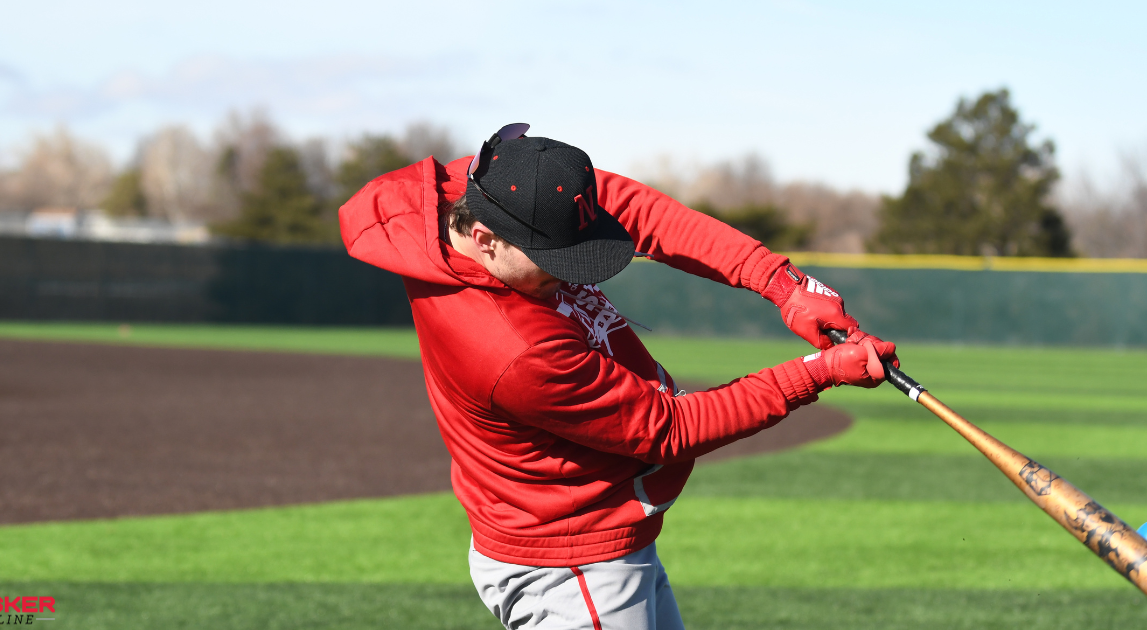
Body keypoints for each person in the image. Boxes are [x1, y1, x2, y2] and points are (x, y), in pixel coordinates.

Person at [339, 124, 898, 630]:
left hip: (598, 541)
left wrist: (782, 284)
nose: (568, 273)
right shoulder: (511, 349)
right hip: (569, 560)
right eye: (554, 259)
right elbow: (668, 427)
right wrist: (820, 373)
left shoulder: (486, 189)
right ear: (486, 238)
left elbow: (645, 214)